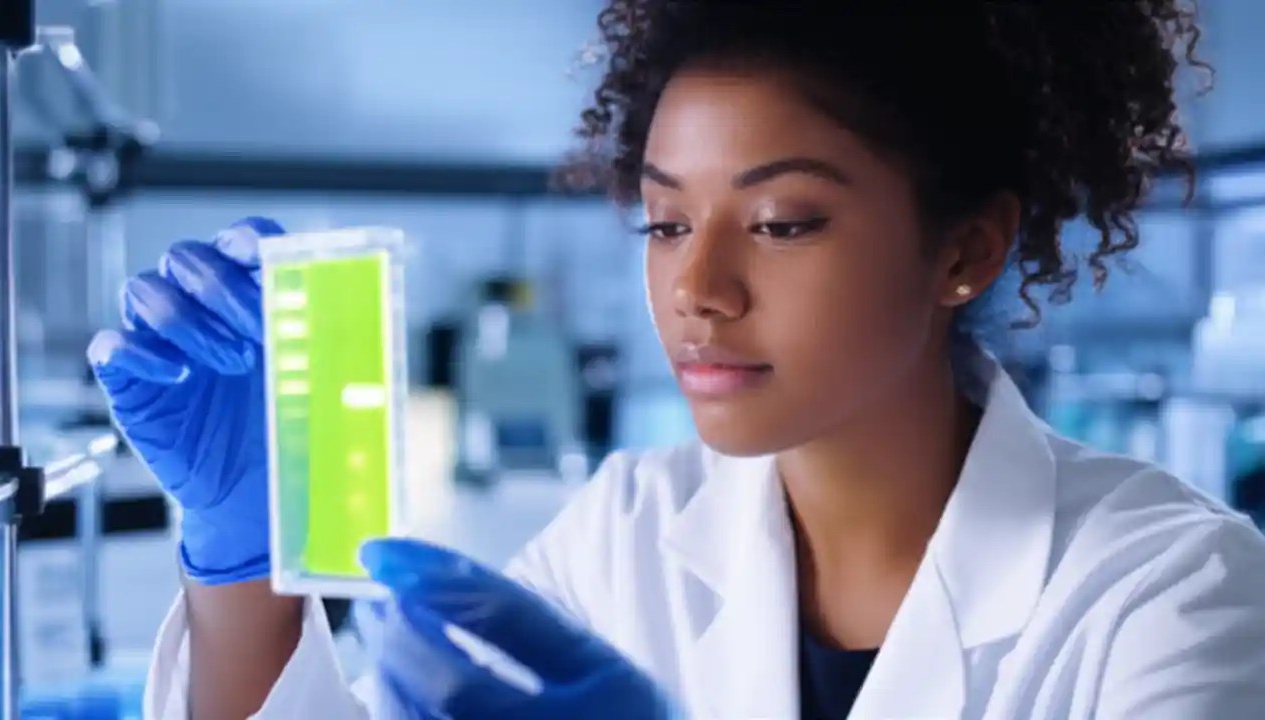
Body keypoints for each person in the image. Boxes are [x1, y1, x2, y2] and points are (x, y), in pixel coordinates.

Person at [88, 2, 1265, 719]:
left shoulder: (1165, 593)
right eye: (663, 223)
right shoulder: (623, 538)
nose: (695, 289)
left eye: (781, 222)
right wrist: (243, 562)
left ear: (963, 248)